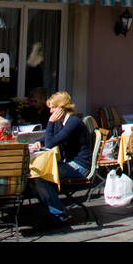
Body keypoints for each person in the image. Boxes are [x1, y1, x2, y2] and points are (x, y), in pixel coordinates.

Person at [27, 92, 92, 226]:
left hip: (80, 167)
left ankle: (59, 214)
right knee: (34, 176)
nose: (50, 111)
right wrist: (38, 142)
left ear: (62, 108)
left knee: (39, 174)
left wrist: (50, 122)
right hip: (68, 164)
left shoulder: (73, 122)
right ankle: (56, 212)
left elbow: (51, 143)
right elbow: (47, 138)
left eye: (53, 108)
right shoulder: (61, 121)